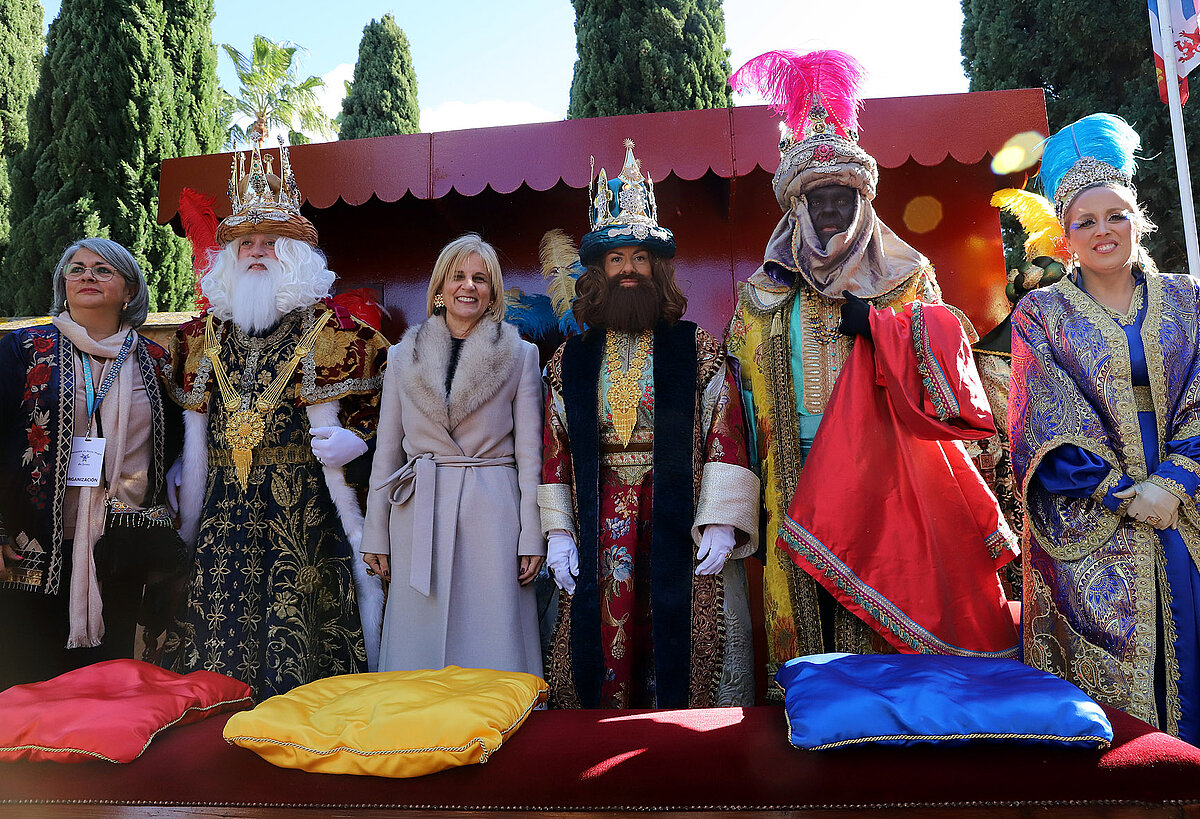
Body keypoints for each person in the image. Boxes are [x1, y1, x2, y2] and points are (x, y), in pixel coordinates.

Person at [726, 49, 1018, 684]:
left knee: (874, 614)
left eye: (841, 201)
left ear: (863, 204)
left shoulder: (905, 279)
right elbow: (736, 392)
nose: (829, 214)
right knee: (801, 622)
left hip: (881, 478)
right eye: (818, 202)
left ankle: (876, 744)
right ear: (795, 210)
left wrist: (886, 327)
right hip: (790, 476)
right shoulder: (762, 293)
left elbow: (951, 358)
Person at [159, 142, 388, 699]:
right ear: (230, 257)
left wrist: (358, 443)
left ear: (292, 257)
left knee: (301, 642)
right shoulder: (194, 339)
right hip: (222, 509)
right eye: (246, 244)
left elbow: (395, 420)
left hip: (304, 509)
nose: (257, 252)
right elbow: (168, 423)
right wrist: (173, 469)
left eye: (270, 244)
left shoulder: (342, 335)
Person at [540, 140, 759, 709]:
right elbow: (555, 447)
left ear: (656, 270)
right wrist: (559, 532)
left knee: (683, 640)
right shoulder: (571, 359)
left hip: (679, 513)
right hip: (599, 512)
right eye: (617, 260)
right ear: (600, 272)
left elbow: (725, 433)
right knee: (601, 641)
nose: (628, 270)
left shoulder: (697, 348)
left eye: (639, 259)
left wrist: (720, 522)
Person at [1009, 113, 1200, 743]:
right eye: (1084, 222)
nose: (1102, 231)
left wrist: (1171, 485)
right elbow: (1042, 418)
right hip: (1093, 518)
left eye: (1114, 215)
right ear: (1064, 237)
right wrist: (1126, 493)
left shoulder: (1187, 299)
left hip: (1188, 504)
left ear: (1137, 218)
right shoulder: (1041, 312)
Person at [0, 238, 181, 689]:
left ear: (130, 289)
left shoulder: (156, 361)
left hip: (124, 546)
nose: (86, 276)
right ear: (63, 284)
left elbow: (177, 449)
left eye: (103, 270)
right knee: (28, 679)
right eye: (76, 268)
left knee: (108, 683)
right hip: (32, 543)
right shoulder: (24, 349)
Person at [360, 234, 544, 676]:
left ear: (493, 292)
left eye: (480, 278)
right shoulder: (402, 356)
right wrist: (375, 534)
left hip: (493, 514)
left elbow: (531, 457)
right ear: (440, 288)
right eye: (458, 276)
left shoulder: (520, 355)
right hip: (419, 513)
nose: (469, 286)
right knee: (418, 647)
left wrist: (532, 534)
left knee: (491, 640)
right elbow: (386, 452)